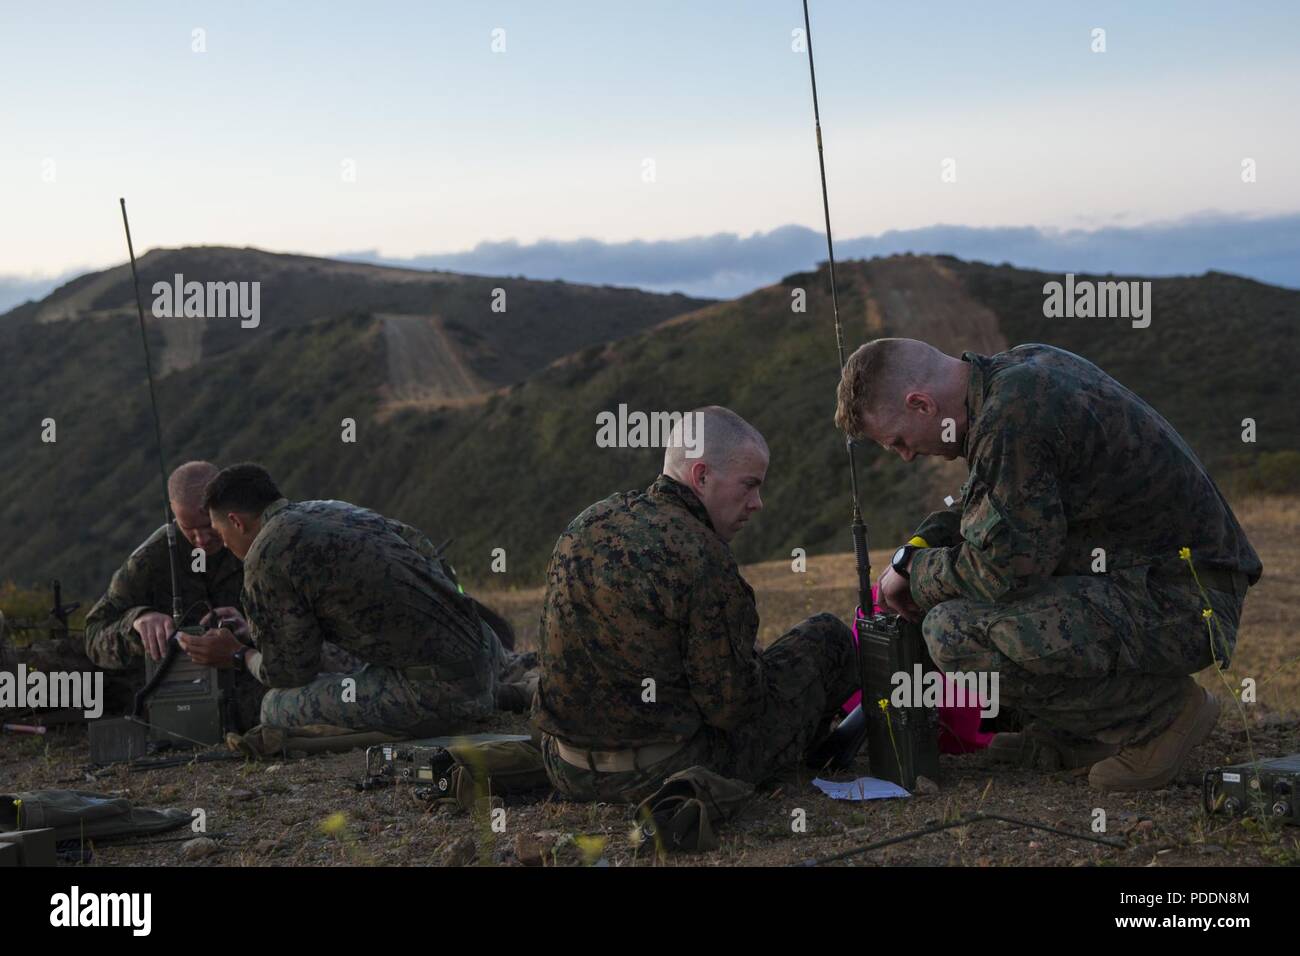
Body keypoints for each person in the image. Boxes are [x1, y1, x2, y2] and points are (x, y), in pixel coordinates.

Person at [834, 338, 1261, 791]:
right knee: (961, 603)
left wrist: (917, 576)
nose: (904, 454)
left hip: (1183, 602)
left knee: (952, 630)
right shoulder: (1016, 372)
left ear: (920, 404)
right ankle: (1080, 734)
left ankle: (1160, 718)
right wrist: (912, 554)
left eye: (898, 441)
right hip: (1161, 582)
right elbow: (990, 509)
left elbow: (1003, 569)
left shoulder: (1009, 418)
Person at [536, 406, 858, 804]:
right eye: (748, 485)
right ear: (702, 476)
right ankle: (822, 752)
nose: (757, 503)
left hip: (566, 769)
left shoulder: (587, 522)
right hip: (666, 774)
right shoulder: (702, 554)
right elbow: (733, 708)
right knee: (827, 637)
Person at [187, 463, 505, 735]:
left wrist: (237, 653)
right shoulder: (331, 510)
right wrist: (256, 634)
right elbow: (422, 548)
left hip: (438, 692)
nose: (224, 544)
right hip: (486, 656)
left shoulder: (265, 554)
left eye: (220, 533)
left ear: (237, 521)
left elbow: (289, 673)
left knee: (275, 706)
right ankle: (495, 694)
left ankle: (460, 705)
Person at [82, 461, 264, 728]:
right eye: (189, 529)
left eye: (209, 525)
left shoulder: (256, 544)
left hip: (254, 690)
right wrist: (137, 621)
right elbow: (94, 636)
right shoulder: (151, 560)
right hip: (175, 704)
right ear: (173, 514)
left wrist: (253, 629)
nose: (202, 540)